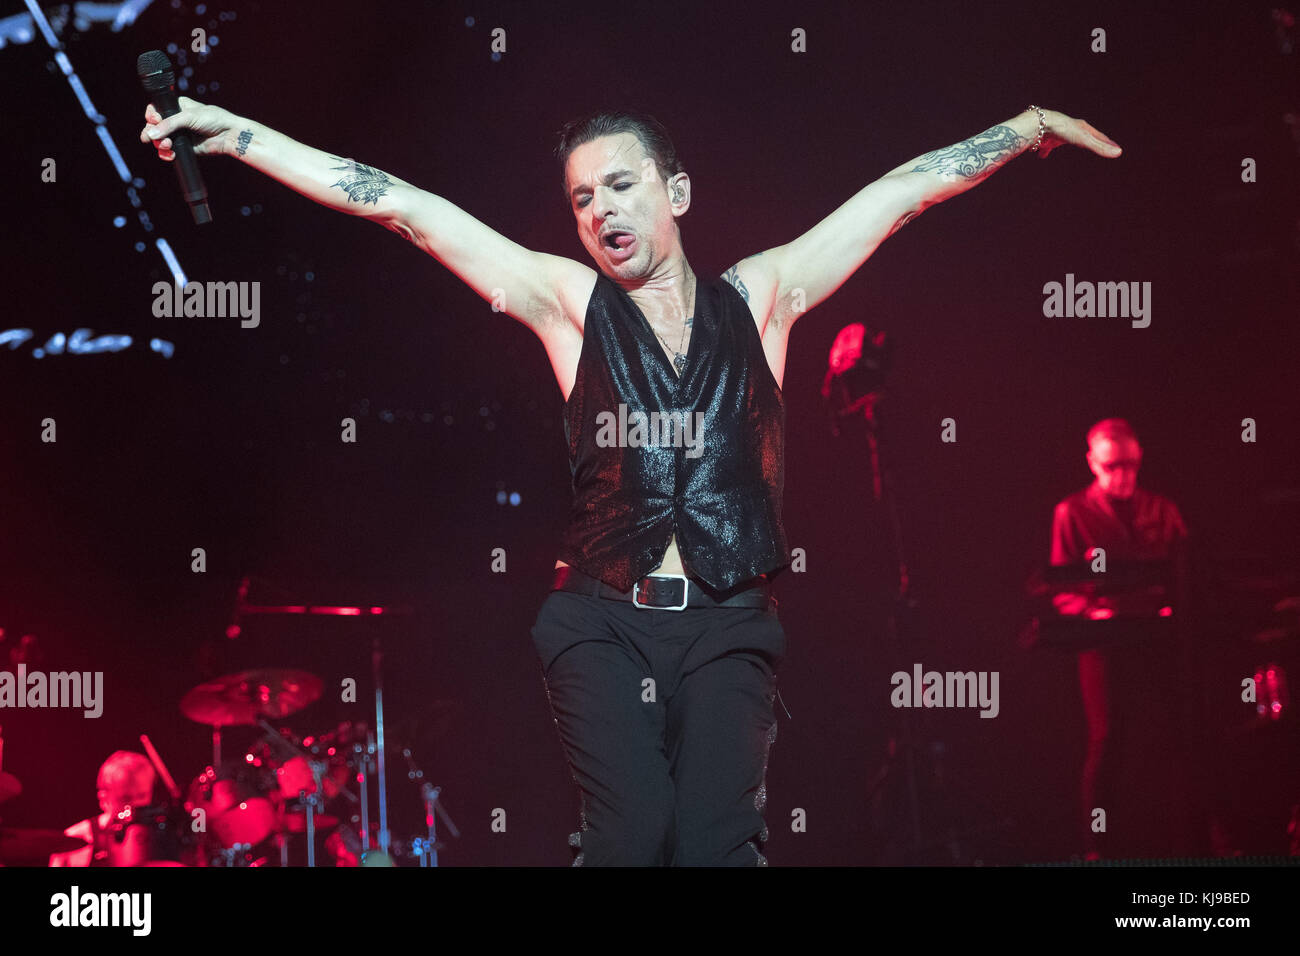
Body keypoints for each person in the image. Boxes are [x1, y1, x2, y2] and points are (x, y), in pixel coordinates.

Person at [143, 96, 1122, 865]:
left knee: (711, 844)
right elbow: (401, 205)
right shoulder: (568, 306)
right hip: (604, 622)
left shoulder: (766, 293)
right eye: (582, 197)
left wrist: (1022, 128)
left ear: (676, 194)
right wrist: (232, 134)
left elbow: (903, 192)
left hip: (729, 621)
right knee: (627, 838)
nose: (602, 209)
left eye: (621, 184)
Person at [1050, 418, 1190, 859]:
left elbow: (1190, 572)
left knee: (1182, 735)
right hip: (1105, 643)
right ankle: (1099, 850)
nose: (1123, 475)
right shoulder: (1072, 513)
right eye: (1112, 467)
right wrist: (1092, 612)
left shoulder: (1162, 509)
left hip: (1160, 636)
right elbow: (1060, 589)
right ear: (1093, 463)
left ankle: (1197, 842)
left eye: (1130, 464)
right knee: (1107, 740)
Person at [49, 750, 157, 867]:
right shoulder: (74, 839)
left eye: (142, 796)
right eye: (126, 798)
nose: (136, 805)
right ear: (104, 797)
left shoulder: (164, 835)